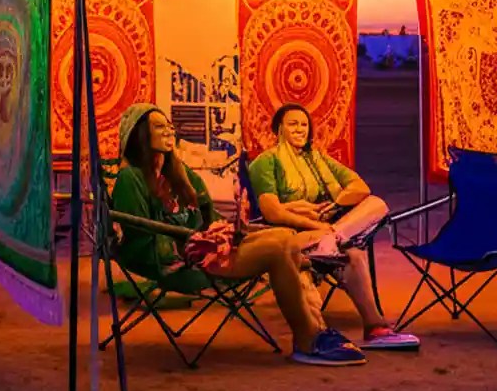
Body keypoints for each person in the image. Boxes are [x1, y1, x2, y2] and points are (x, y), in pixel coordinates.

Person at [109, 103, 366, 366]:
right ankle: (307, 340)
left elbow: (211, 218)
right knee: (276, 251)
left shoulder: (180, 174)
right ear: (140, 134)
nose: (169, 130)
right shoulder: (131, 178)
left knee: (285, 237)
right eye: (159, 126)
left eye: (169, 125)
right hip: (181, 262)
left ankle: (315, 326)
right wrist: (192, 243)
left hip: (208, 248)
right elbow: (138, 234)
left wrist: (234, 231)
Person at [249, 103, 421, 351]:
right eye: (293, 124)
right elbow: (272, 211)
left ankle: (375, 329)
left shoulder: (317, 159)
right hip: (293, 235)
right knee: (352, 253)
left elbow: (360, 188)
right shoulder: (265, 162)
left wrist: (332, 208)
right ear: (279, 129)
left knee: (375, 205)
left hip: (329, 230)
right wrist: (311, 222)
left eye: (304, 124)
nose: (300, 129)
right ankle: (334, 242)